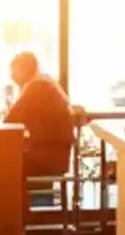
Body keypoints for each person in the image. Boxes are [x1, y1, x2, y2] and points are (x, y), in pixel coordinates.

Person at [5, 51, 75, 179]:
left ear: (25, 70)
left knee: (3, 164)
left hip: (45, 158)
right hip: (57, 156)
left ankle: (24, 198)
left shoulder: (36, 88)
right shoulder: (46, 81)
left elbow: (10, 122)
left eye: (14, 72)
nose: (11, 77)